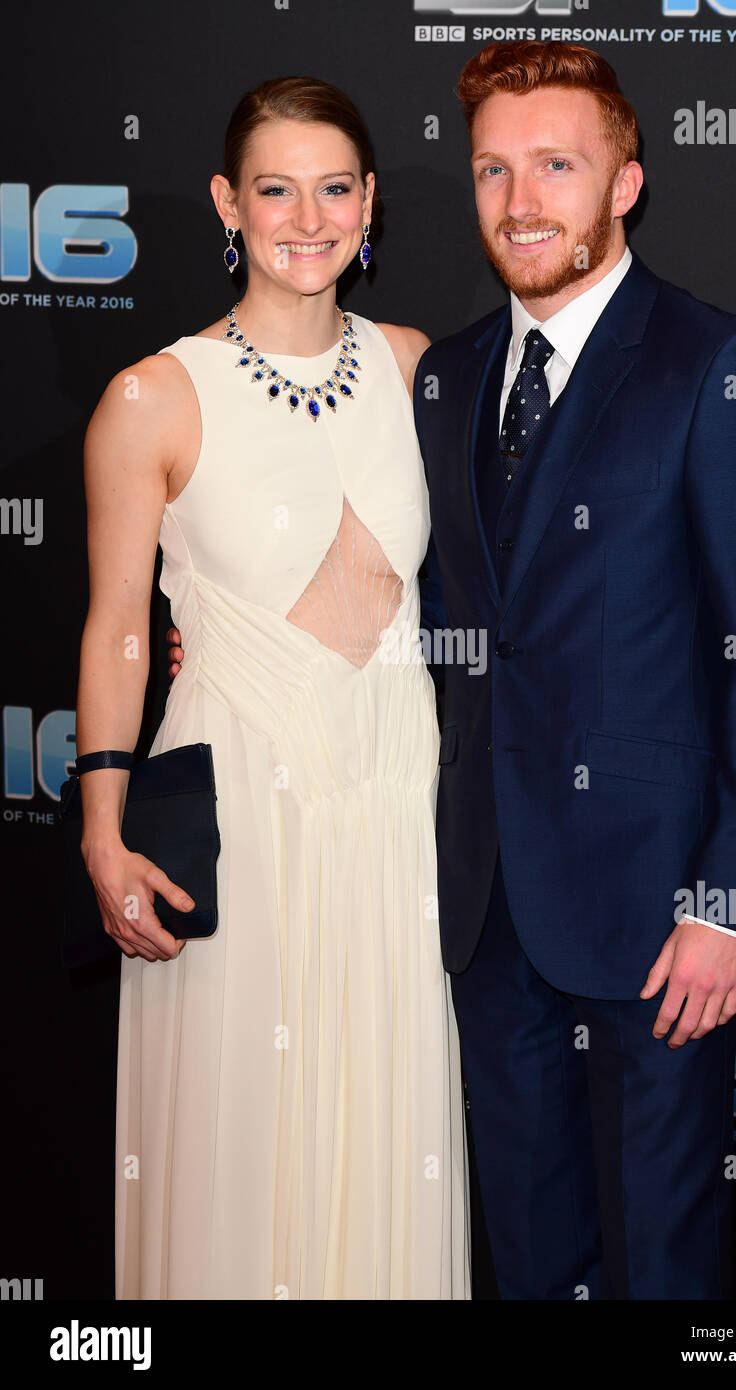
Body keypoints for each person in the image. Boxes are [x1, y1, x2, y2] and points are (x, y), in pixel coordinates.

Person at [410, 41, 736, 1299]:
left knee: (663, 1258)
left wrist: (730, 907)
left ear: (625, 182)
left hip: (661, 911)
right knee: (530, 1257)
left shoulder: (716, 363)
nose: (518, 200)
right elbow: (434, 621)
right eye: (492, 168)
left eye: (554, 165)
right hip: (486, 902)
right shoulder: (446, 376)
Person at [76, 75, 469, 1300]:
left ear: (370, 206)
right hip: (240, 795)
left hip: (397, 798)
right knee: (242, 1129)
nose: (309, 218)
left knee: (384, 1114)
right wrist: (101, 828)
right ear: (225, 205)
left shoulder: (419, 370)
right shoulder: (153, 395)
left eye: (336, 187)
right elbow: (116, 630)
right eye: (275, 189)